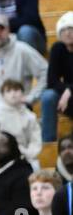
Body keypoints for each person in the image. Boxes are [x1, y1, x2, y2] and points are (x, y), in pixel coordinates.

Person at [0, 79, 42, 163]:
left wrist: (28, 154)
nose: (13, 94)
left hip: (24, 158)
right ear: (3, 95)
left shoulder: (30, 116)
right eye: (8, 91)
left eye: (16, 90)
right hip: (0, 160)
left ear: (22, 93)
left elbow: (35, 140)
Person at [42, 12, 73, 143]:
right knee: (48, 96)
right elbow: (51, 81)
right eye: (63, 30)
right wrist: (67, 90)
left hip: (69, 95)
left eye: (71, 29)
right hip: (67, 98)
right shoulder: (58, 48)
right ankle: (48, 142)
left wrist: (69, 90)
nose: (67, 33)